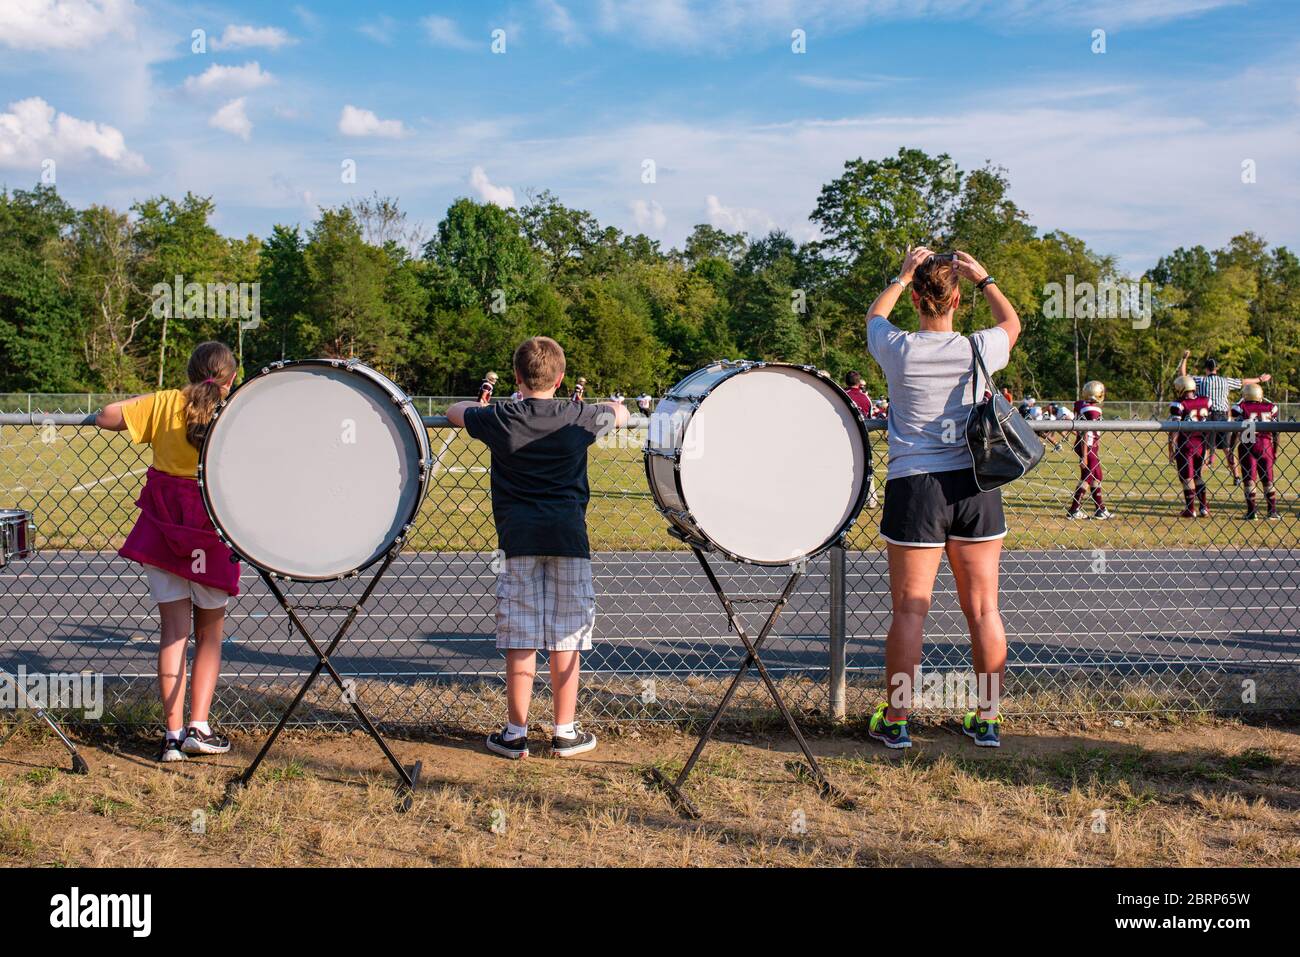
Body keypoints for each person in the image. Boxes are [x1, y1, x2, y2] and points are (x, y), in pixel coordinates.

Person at [864, 247, 1020, 750]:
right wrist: (985, 279)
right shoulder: (979, 347)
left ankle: (897, 720)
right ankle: (988, 719)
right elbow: (1012, 322)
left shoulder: (899, 348)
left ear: (915, 297)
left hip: (916, 486)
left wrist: (901, 272)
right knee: (984, 610)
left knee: (911, 611)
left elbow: (875, 316)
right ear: (956, 298)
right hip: (975, 484)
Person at [446, 337, 628, 759]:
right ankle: (565, 731)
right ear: (561, 379)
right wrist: (605, 409)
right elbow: (621, 412)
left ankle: (515, 733)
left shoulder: (503, 418)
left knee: (521, 636)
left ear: (516, 377)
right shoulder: (578, 418)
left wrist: (487, 408)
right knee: (567, 636)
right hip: (568, 537)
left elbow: (456, 412)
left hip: (518, 539)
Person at [94, 342, 241, 763]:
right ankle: (200, 726)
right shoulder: (233, 413)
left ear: (191, 372)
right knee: (209, 633)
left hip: (165, 528)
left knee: (173, 631)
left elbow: (107, 415)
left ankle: (173, 736)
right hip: (213, 526)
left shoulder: (164, 403)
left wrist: (157, 400)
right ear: (230, 379)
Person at [1177, 351, 1271, 484]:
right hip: (1223, 417)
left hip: (1208, 417)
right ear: (1217, 369)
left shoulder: (1201, 380)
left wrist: (1184, 358)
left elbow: (1184, 377)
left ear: (1206, 369)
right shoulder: (1225, 381)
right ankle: (1237, 476)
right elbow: (1243, 382)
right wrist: (1260, 379)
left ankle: (1196, 476)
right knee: (1228, 449)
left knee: (1206, 449)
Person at [1232, 383, 1280, 520]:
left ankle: (1252, 511)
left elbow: (1236, 430)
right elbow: (1276, 433)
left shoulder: (1241, 407)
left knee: (1249, 480)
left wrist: (1231, 447)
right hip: (1266, 446)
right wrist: (1275, 450)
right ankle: (1272, 511)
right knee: (1268, 480)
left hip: (1248, 446)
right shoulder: (1270, 407)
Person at [1169, 374, 1212, 517]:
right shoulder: (1206, 401)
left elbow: (1175, 429)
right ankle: (1204, 507)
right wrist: (1209, 449)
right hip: (1202, 443)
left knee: (1187, 477)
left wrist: (1171, 448)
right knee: (1197, 475)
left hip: (1186, 444)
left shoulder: (1179, 404)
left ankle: (1190, 508)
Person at [1067, 380, 1111, 520]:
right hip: (1088, 446)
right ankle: (1075, 510)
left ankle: (1099, 509)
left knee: (1096, 475)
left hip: (1086, 446)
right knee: (1088, 477)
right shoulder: (1092, 410)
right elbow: (1085, 432)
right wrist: (1085, 455)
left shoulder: (1081, 405)